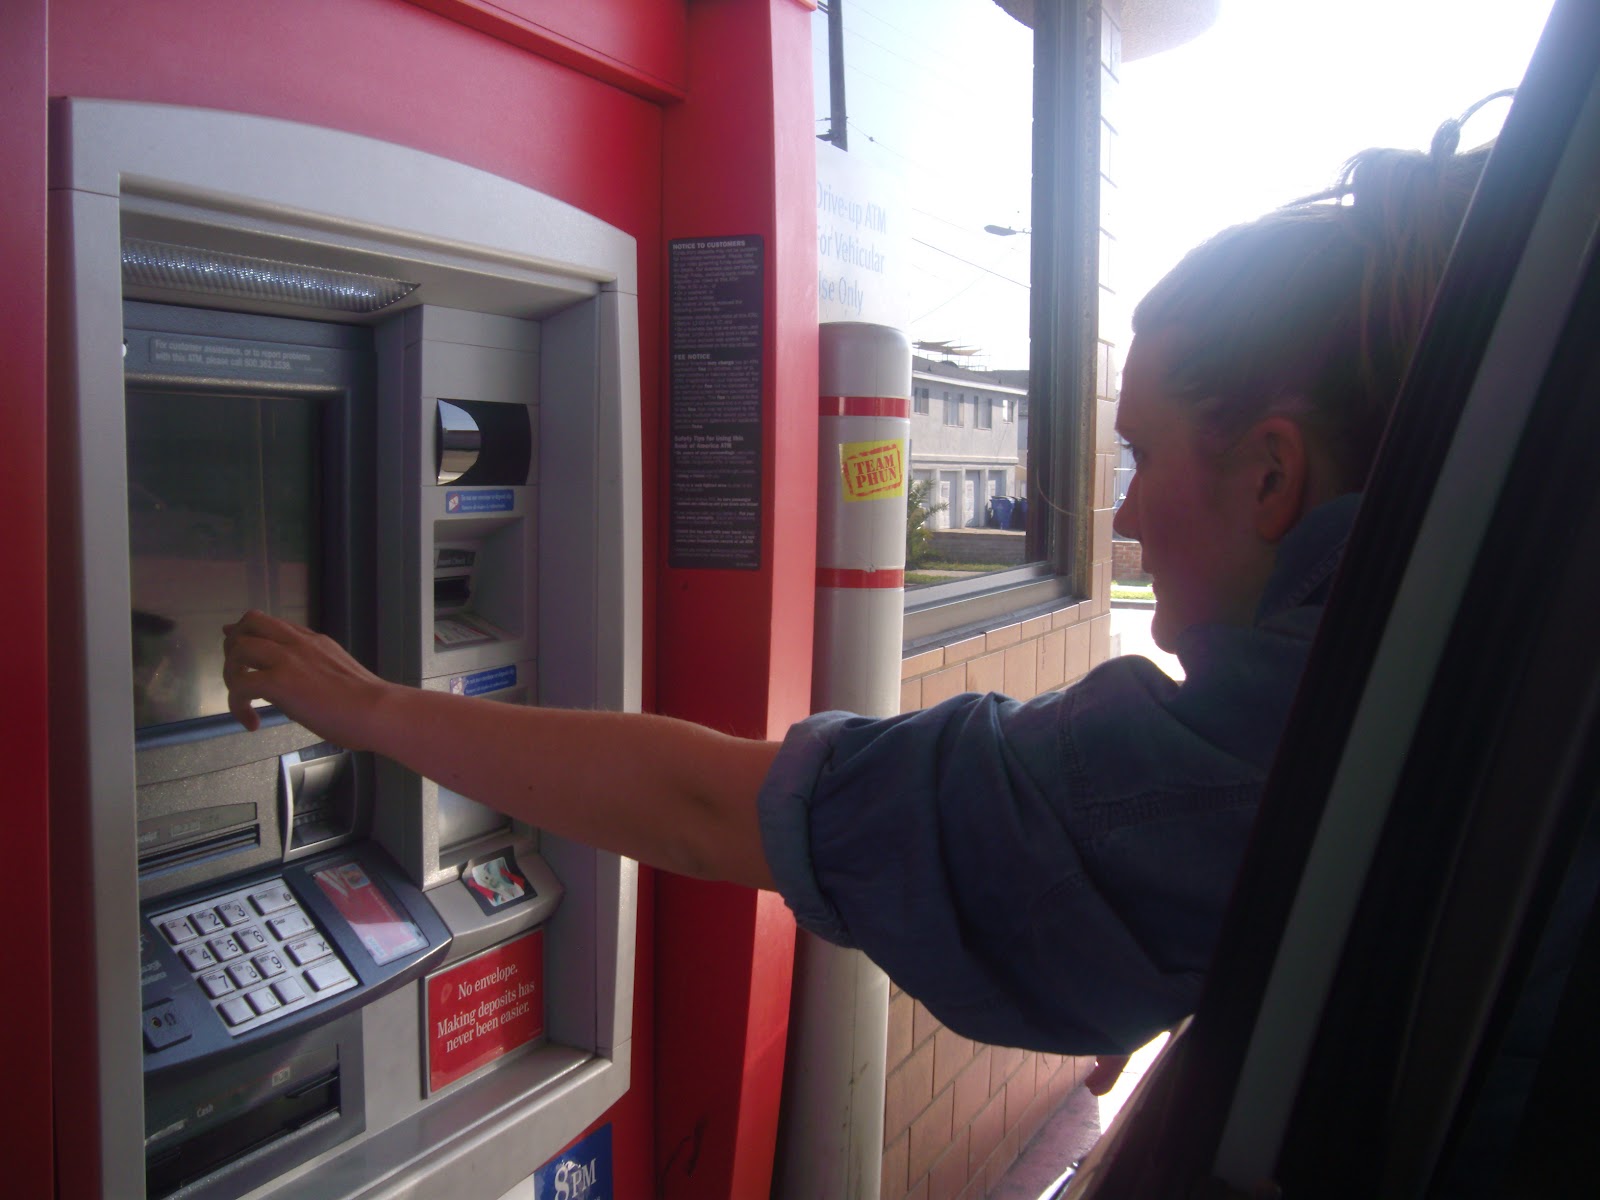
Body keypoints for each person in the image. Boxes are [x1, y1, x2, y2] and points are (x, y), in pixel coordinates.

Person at [222, 122, 1489, 1060]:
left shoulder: (1255, 758)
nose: (1119, 516)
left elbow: (700, 810)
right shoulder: (1456, 673)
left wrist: (375, 708)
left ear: (1271, 475)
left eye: (1143, 456)